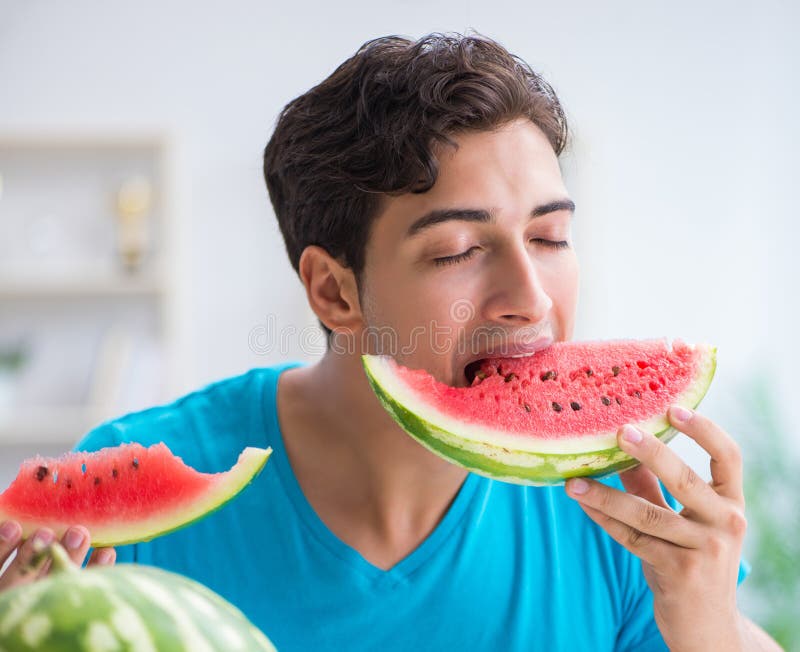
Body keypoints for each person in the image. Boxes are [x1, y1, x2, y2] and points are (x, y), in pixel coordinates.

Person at [0, 33, 781, 651]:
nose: (532, 298)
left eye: (550, 235)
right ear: (333, 290)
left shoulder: (633, 512)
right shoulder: (128, 516)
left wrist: (708, 626)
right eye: (457, 252)